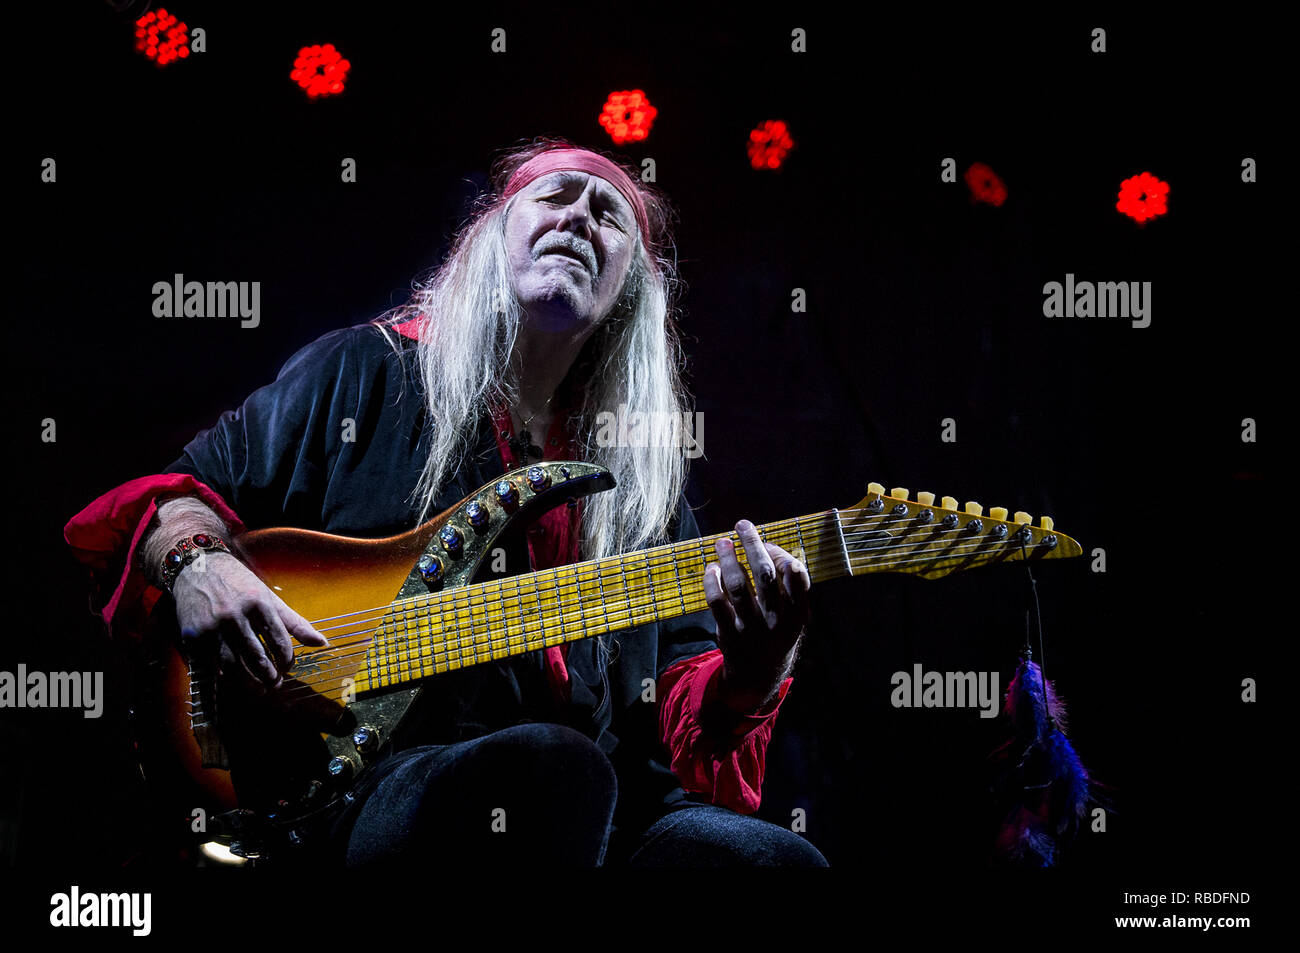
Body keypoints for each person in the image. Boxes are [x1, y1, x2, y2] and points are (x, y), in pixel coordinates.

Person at [65, 137, 828, 867]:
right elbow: (174, 496)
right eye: (555, 196)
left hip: (601, 800)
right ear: (493, 235)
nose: (578, 217)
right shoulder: (366, 371)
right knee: (548, 768)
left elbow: (686, 721)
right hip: (355, 785)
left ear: (632, 285)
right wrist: (199, 564)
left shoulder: (641, 490)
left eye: (608, 215)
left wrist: (756, 669)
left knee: (769, 857)